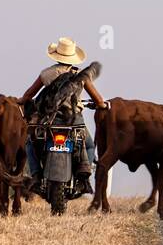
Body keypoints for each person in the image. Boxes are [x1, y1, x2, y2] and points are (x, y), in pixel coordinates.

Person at [21, 37, 106, 195]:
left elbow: (29, 94)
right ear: (73, 56)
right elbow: (98, 100)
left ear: (56, 54)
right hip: (73, 120)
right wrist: (102, 105)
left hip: (49, 120)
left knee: (30, 144)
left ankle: (36, 175)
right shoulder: (80, 75)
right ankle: (84, 176)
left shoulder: (46, 74)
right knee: (88, 144)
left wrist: (22, 101)